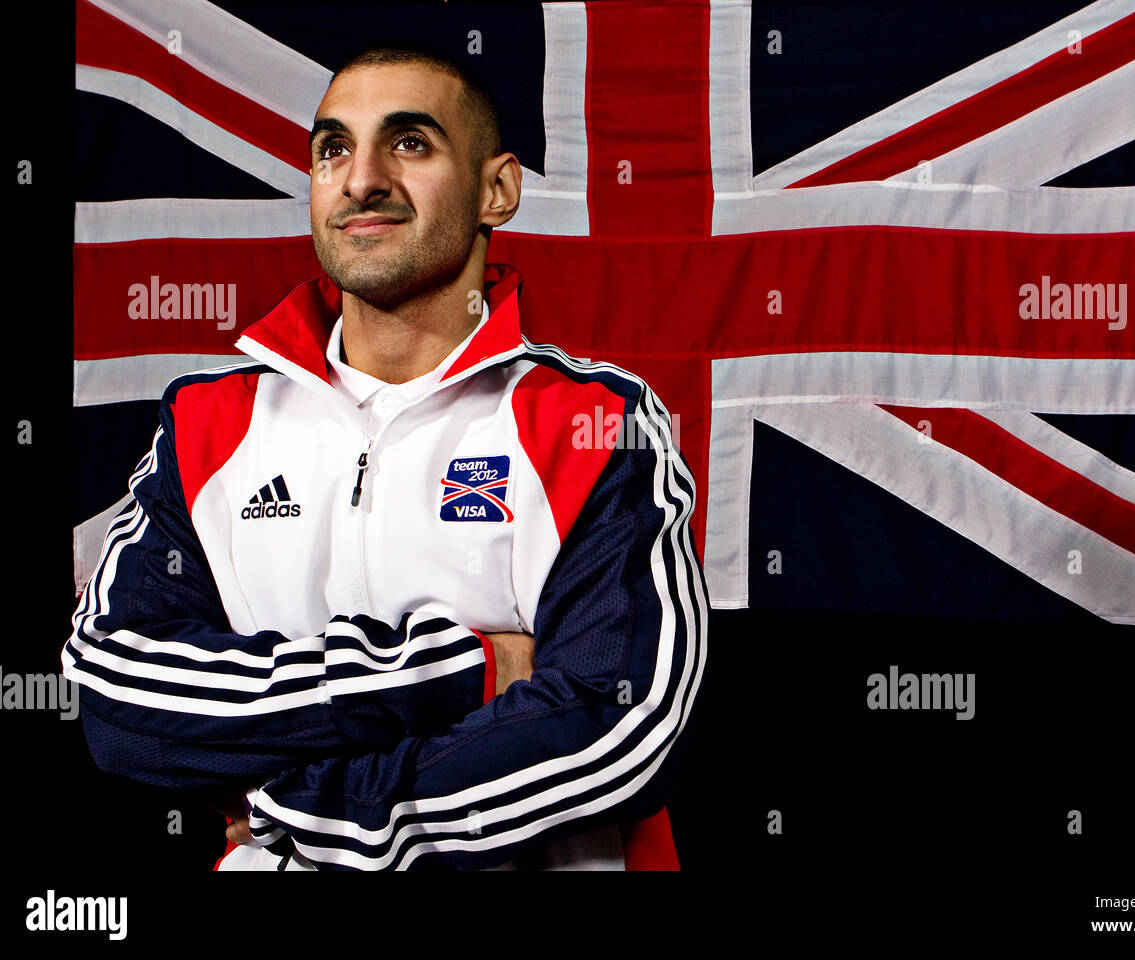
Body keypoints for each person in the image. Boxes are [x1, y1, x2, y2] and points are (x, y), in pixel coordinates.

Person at [63, 44, 708, 871]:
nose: (360, 179)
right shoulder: (208, 418)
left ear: (496, 190)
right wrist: (464, 669)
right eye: (333, 149)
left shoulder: (596, 420)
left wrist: (299, 808)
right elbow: (117, 697)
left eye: (409, 143)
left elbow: (620, 724)